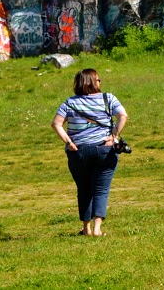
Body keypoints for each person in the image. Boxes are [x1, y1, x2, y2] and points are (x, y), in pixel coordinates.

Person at [51, 68, 129, 236]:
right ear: (92, 83)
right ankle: (97, 229)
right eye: (98, 80)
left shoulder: (70, 103)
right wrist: (113, 136)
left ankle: (86, 228)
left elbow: (56, 124)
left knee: (84, 188)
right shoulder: (108, 98)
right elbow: (123, 115)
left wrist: (69, 142)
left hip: (78, 152)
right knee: (101, 189)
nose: (100, 82)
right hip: (104, 149)